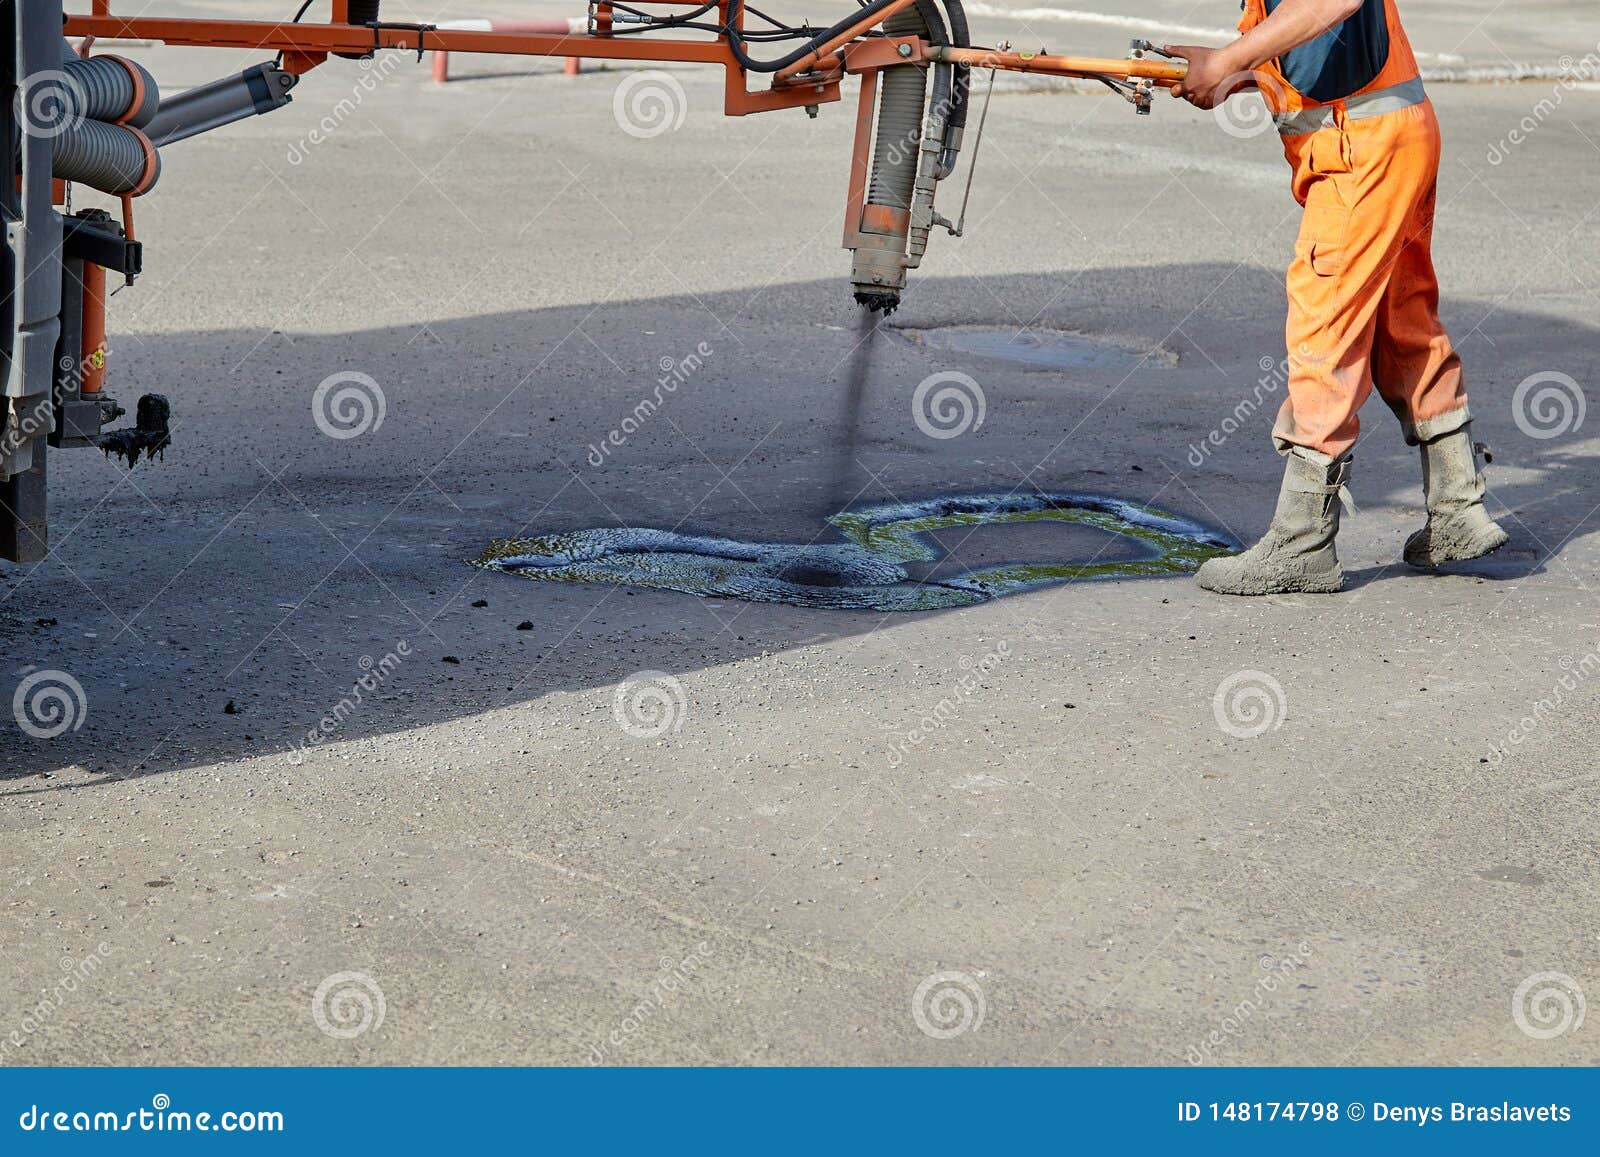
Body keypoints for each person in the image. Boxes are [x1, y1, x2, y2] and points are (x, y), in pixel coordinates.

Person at [1165, 0, 1507, 595]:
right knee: (1402, 322)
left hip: (1359, 155)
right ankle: (1458, 506)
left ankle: (1301, 545)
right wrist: (1237, 71)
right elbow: (1321, 48)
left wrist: (1227, 58)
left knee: (1324, 328)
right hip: (1395, 137)